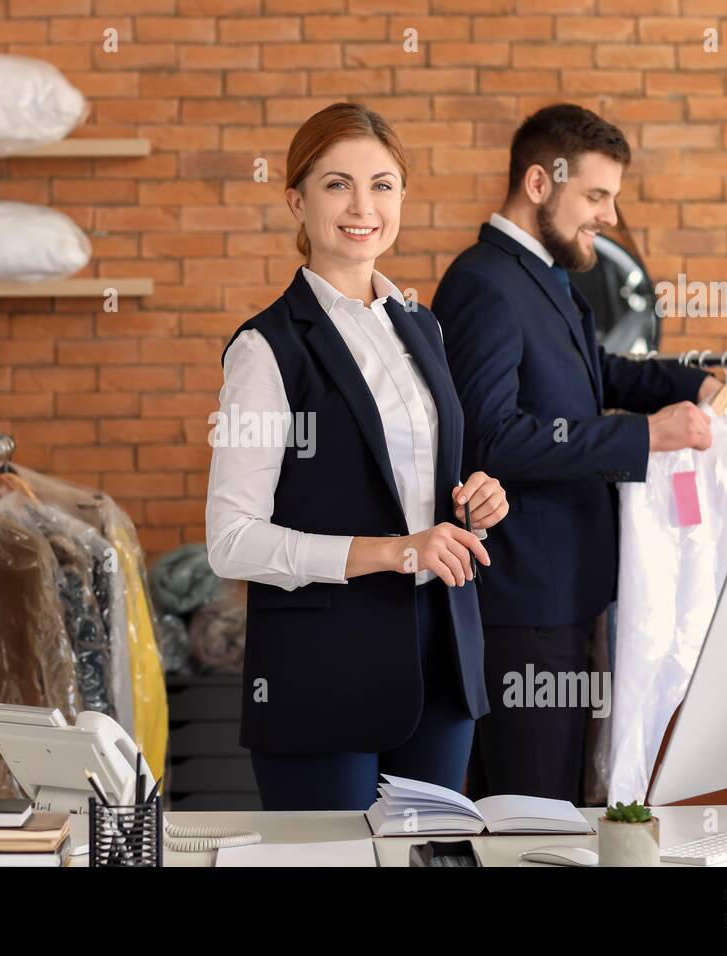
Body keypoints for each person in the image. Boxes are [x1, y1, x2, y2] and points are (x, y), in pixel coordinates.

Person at [205, 102, 509, 811]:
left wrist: (475, 506)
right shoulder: (265, 350)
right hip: (321, 680)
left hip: (442, 663)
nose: (362, 206)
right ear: (297, 201)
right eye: (338, 184)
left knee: (435, 863)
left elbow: (415, 494)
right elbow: (231, 542)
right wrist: (397, 552)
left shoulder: (421, 325)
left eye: (383, 185)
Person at [432, 103, 721, 804]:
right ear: (539, 184)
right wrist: (644, 437)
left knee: (563, 802)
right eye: (596, 197)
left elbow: (599, 375)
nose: (609, 217)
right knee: (531, 810)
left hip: (564, 594)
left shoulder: (542, 277)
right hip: (522, 604)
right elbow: (491, 437)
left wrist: (703, 384)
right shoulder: (484, 285)